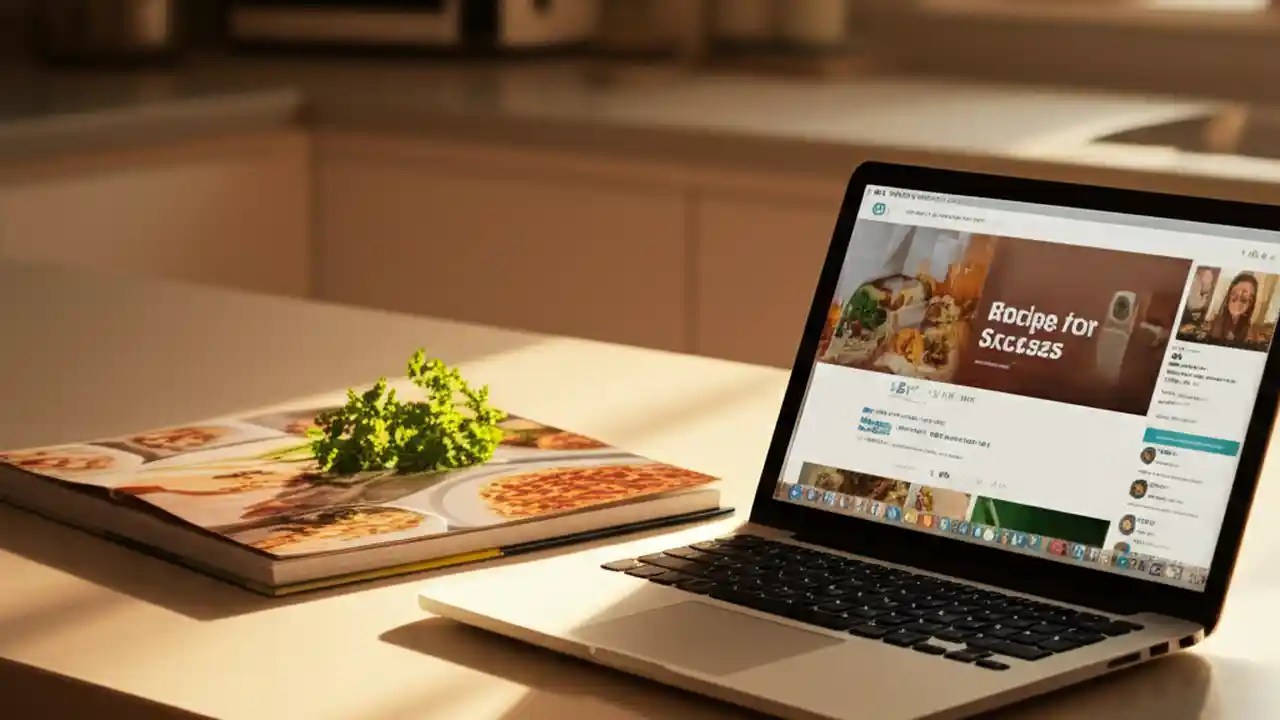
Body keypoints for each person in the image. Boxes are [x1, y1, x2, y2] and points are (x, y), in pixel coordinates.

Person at [1209, 272, 1259, 345]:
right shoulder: (1216, 323)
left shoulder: (1251, 333)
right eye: (1234, 295)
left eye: (1245, 299)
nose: (1238, 302)